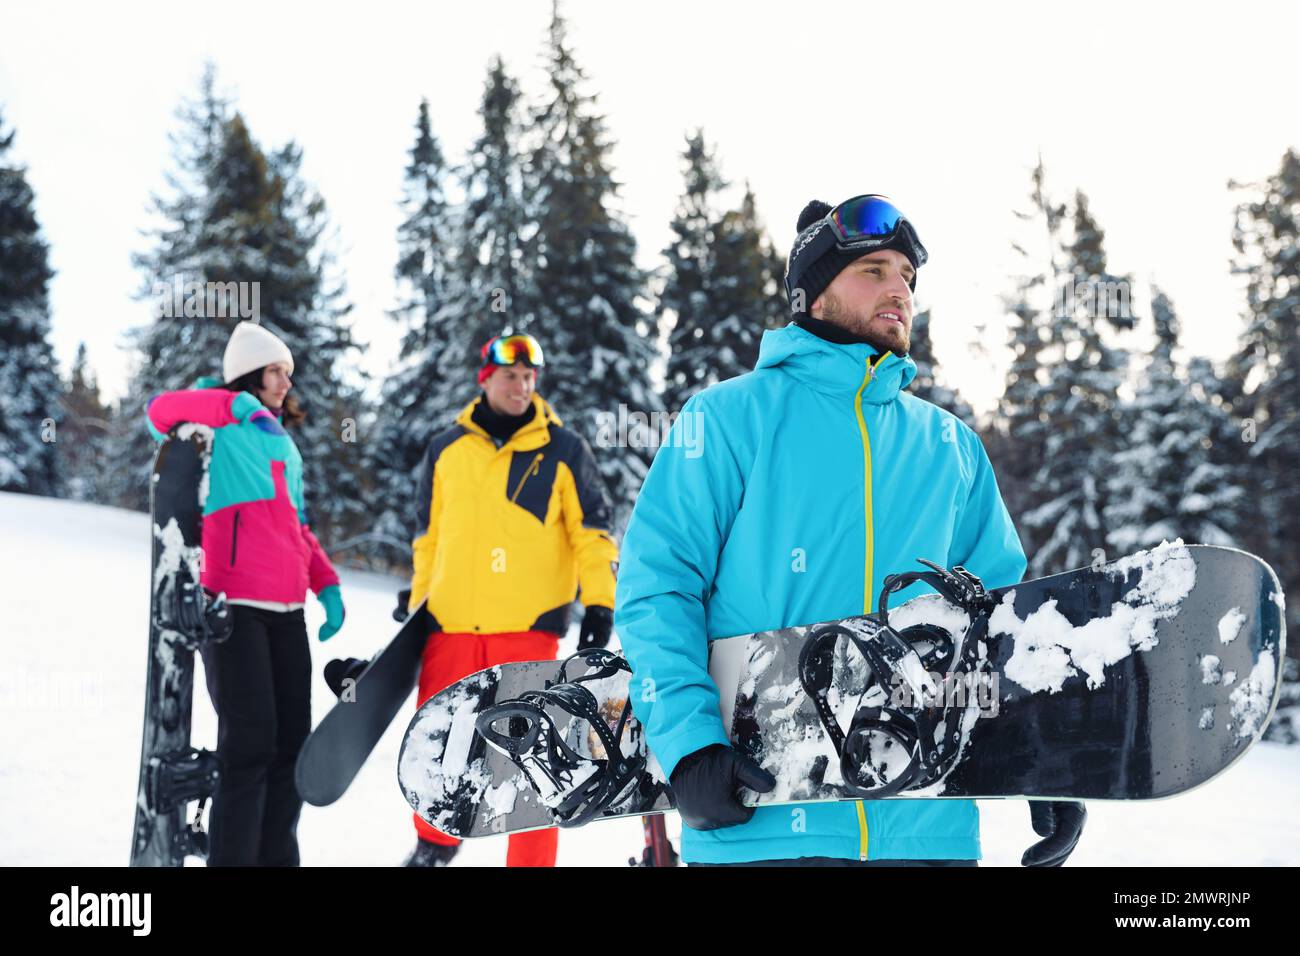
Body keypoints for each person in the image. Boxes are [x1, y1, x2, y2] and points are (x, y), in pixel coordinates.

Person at [614, 195, 1086, 867]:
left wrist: (1041, 756)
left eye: (907, 277)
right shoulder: (726, 420)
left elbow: (998, 625)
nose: (899, 289)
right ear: (811, 293)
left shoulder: (949, 446)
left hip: (931, 834)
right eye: (874, 271)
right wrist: (689, 744)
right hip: (765, 828)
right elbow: (657, 587)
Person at [401, 332, 619, 867]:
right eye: (510, 377)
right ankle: (433, 846)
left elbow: (592, 533)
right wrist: (417, 606)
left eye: (528, 378)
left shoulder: (565, 450)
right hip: (449, 628)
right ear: (485, 380)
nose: (521, 386)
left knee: (536, 759)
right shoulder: (445, 448)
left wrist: (599, 602)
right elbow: (428, 537)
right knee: (440, 747)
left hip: (526, 630)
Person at [145, 320, 346, 866]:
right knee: (250, 744)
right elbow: (159, 411)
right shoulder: (220, 422)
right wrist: (227, 405)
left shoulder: (282, 440)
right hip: (232, 606)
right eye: (277, 370)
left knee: (291, 748)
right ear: (249, 373)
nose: (286, 382)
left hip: (286, 611)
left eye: (289, 372)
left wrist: (325, 582)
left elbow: (296, 525)